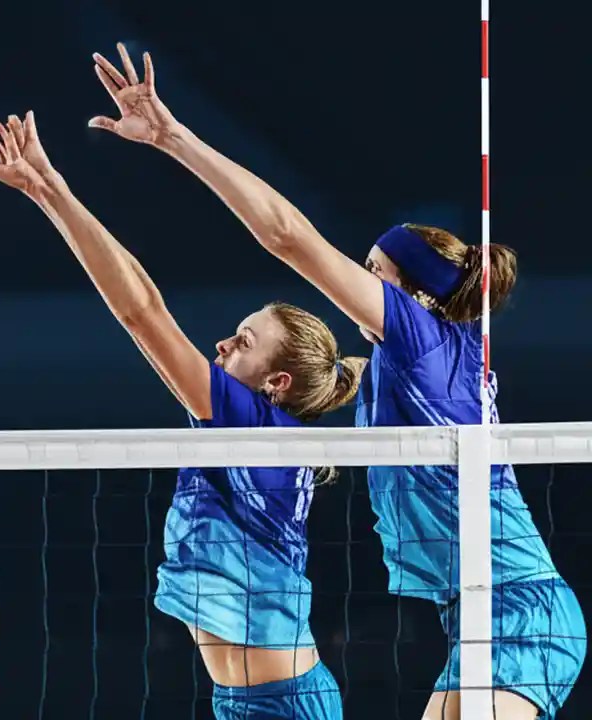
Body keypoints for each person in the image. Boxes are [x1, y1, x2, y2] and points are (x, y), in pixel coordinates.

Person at [81, 42, 587, 719]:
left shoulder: (422, 336)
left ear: (415, 294)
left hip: (521, 611)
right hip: (474, 614)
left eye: (374, 268)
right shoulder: (414, 363)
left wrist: (176, 138)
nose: (358, 277)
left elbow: (288, 235)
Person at [0, 109, 354, 719]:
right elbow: (142, 288)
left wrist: (50, 189)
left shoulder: (250, 423)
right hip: (248, 699)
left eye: (244, 342)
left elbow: (142, 311)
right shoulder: (257, 429)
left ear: (276, 384)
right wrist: (52, 191)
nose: (224, 345)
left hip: (284, 705)